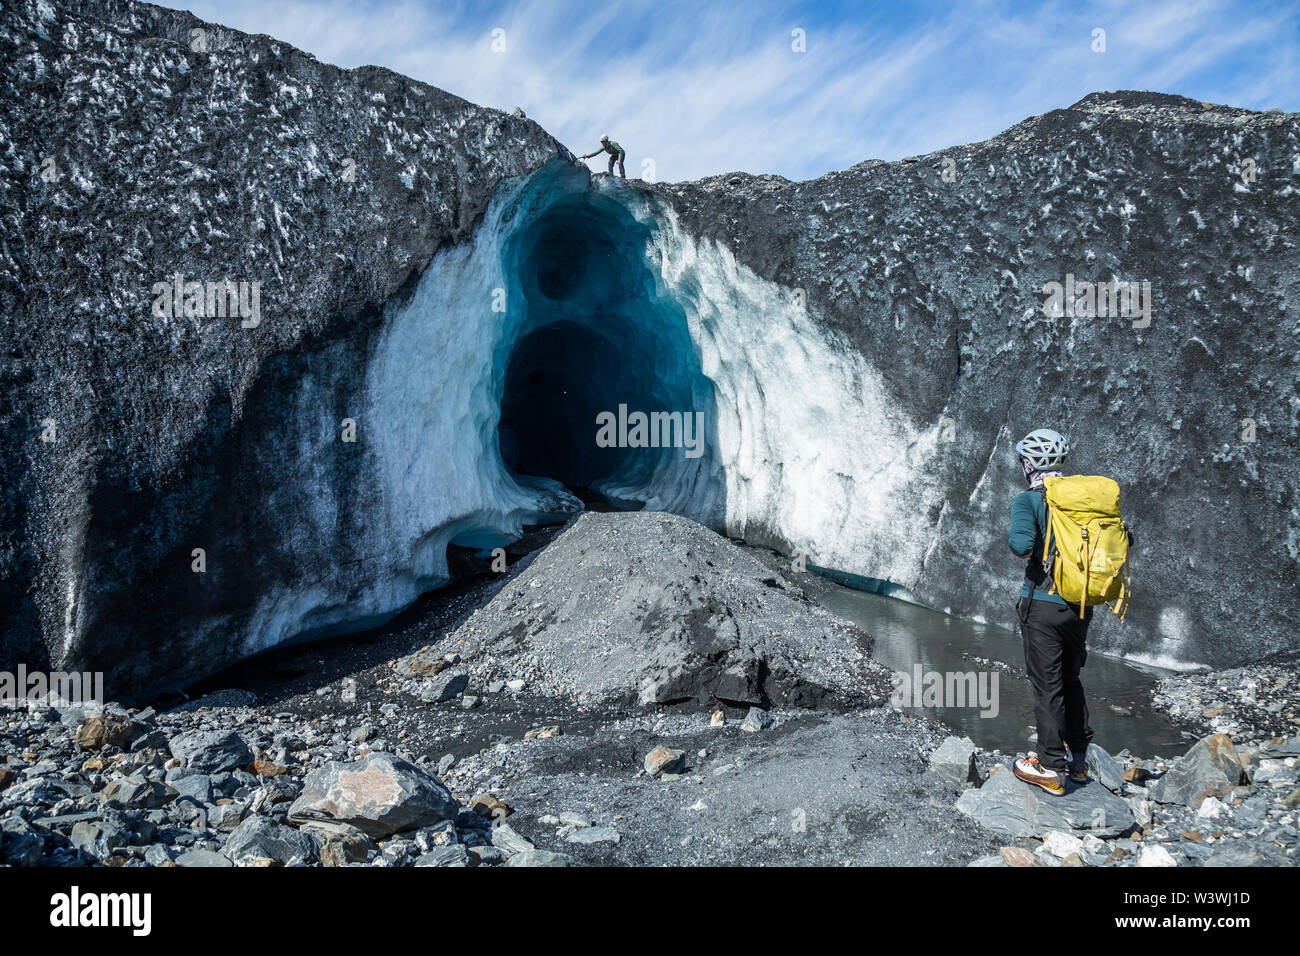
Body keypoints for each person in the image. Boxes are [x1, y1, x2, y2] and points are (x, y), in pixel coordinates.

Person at [1007, 428, 1092, 796]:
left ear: (1029, 464)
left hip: (1042, 605)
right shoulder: (1086, 499)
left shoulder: (1029, 500)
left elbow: (1021, 545)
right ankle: (1078, 762)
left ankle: (1050, 767)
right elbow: (1126, 540)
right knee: (1071, 680)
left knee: (1048, 687)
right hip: (1081, 606)